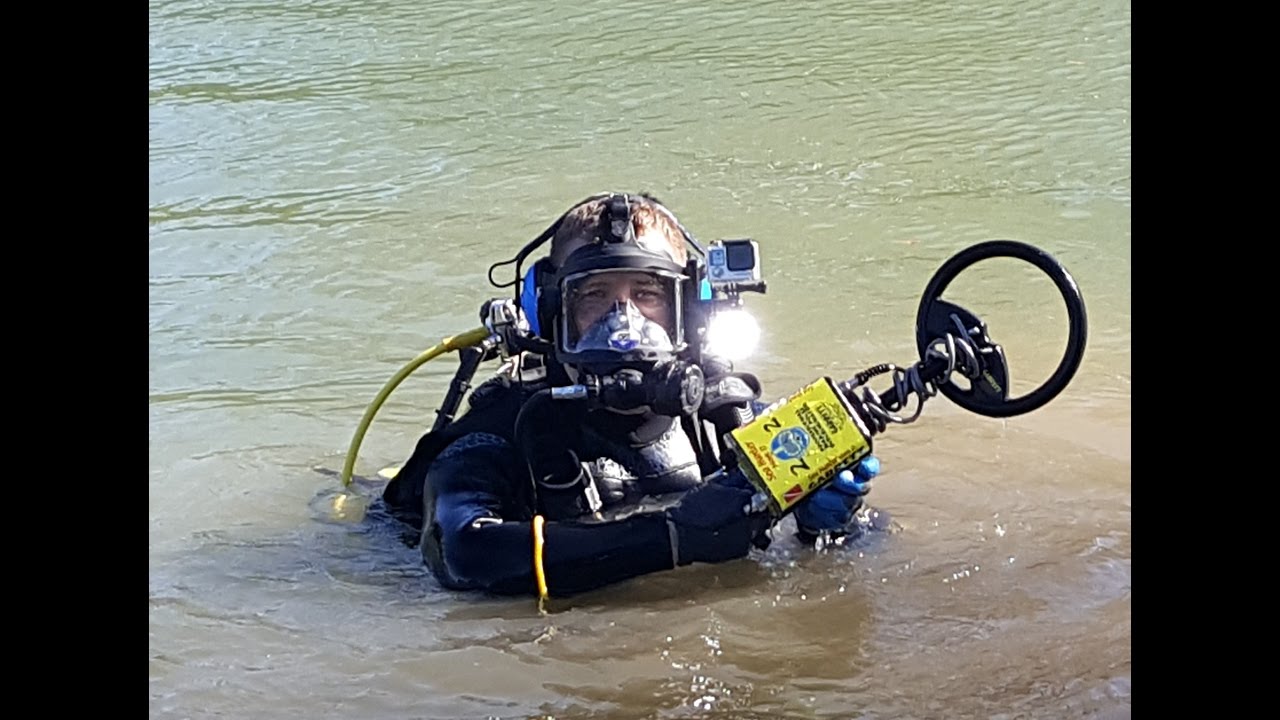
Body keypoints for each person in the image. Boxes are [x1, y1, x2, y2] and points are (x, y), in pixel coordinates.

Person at [380, 192, 882, 597]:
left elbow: (861, 554)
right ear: (549, 310)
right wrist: (674, 539)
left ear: (689, 310)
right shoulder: (496, 436)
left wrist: (826, 527)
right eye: (594, 296)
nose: (624, 327)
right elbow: (464, 555)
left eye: (647, 294)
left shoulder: (726, 418)